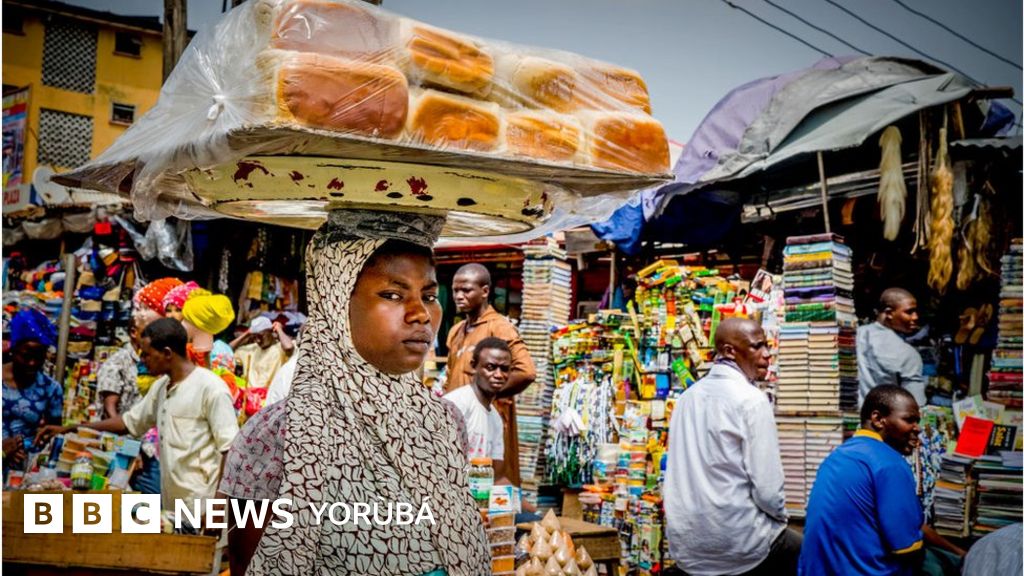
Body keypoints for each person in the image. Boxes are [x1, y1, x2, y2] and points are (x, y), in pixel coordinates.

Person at [219, 210, 489, 576]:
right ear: (335, 304)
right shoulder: (276, 436)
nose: (421, 314)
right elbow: (250, 566)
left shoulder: (443, 422)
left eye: (429, 295)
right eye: (393, 294)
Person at [36, 318, 239, 512]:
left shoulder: (211, 388)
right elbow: (128, 423)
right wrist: (73, 428)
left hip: (204, 505)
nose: (142, 360)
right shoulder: (161, 387)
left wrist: (217, 508)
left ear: (167, 353)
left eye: (147, 354)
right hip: (173, 505)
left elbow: (231, 451)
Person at [664, 317, 800, 576]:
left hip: (687, 545)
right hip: (738, 545)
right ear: (729, 351)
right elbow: (769, 491)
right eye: (757, 347)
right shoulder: (752, 401)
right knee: (806, 551)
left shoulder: (687, 399)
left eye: (766, 346)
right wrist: (781, 517)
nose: (767, 354)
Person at [798, 385, 924, 576]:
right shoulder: (890, 463)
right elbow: (906, 545)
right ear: (878, 419)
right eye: (909, 420)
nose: (917, 429)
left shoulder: (839, 454)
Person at [445, 263, 536, 486]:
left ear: (485, 291)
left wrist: (488, 397)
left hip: (486, 423)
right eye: (455, 290)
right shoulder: (456, 331)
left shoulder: (500, 327)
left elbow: (526, 371)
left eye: (466, 290)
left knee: (489, 482)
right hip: (457, 420)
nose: (459, 296)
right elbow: (449, 376)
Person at [443, 337, 509, 480]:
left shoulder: (495, 419)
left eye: (504, 369)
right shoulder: (456, 404)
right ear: (474, 366)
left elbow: (497, 478)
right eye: (490, 367)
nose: (498, 375)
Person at [3, 309, 61, 470]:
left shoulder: (51, 389)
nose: (32, 363)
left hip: (24, 472)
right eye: (26, 356)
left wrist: (32, 448)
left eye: (39, 356)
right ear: (14, 348)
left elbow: (53, 433)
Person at [857, 288, 926, 406]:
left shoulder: (855, 335)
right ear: (889, 313)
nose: (915, 317)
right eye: (909, 312)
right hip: (882, 420)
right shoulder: (907, 353)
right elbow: (915, 403)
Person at [230, 316, 294, 390]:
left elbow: (289, 347)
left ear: (270, 331)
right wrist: (247, 333)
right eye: (255, 337)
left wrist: (279, 329)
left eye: (260, 336)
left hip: (269, 395)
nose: (258, 341)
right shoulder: (252, 349)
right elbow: (227, 349)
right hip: (250, 395)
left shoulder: (280, 348)